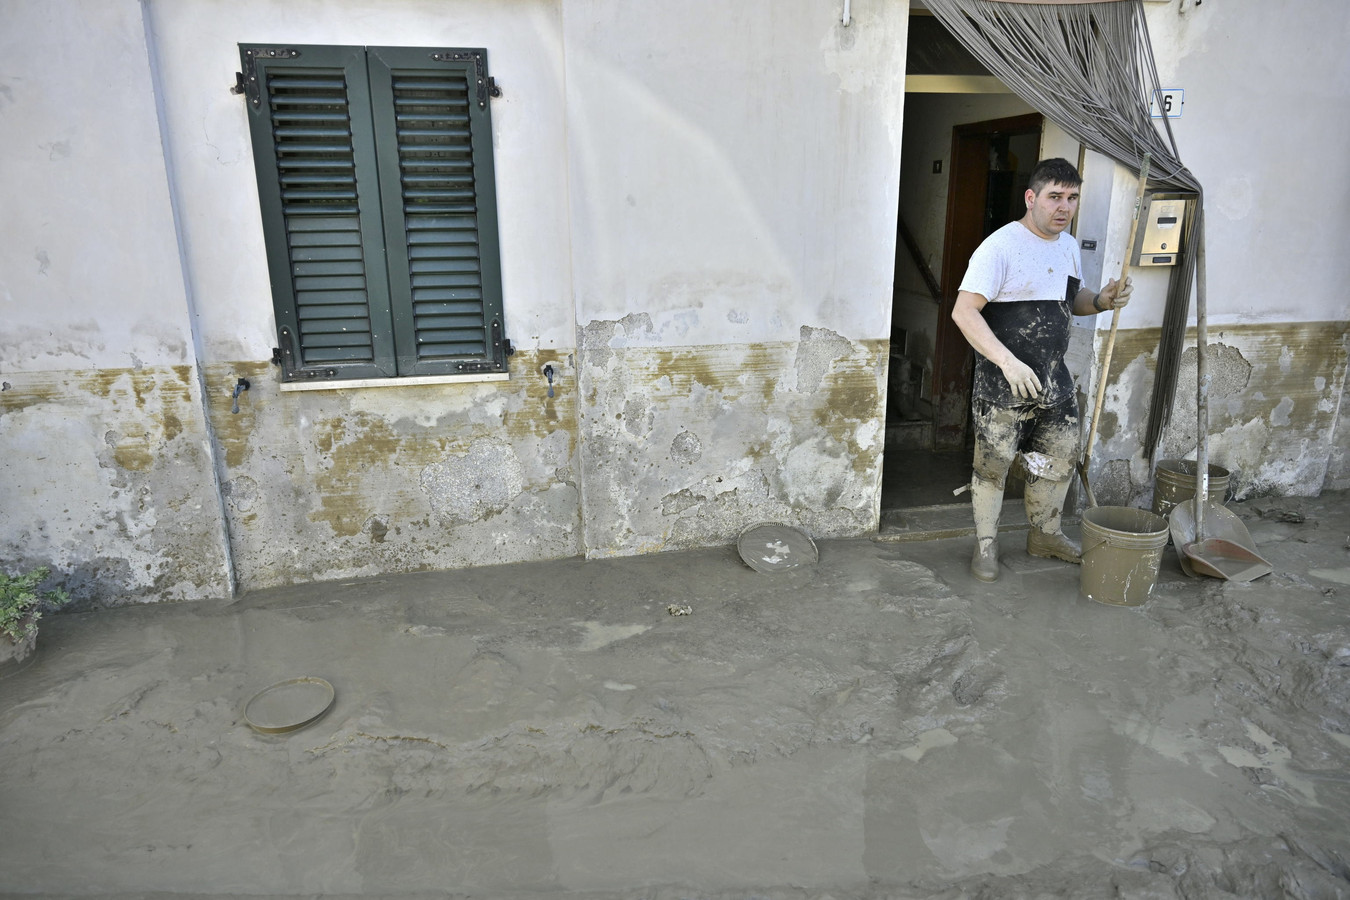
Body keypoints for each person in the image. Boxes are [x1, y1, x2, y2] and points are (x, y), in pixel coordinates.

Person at [951, 157, 1132, 582]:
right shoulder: (999, 247)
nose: (1063, 207)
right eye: (1054, 197)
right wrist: (1008, 363)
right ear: (1031, 198)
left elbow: (1073, 301)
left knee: (1058, 461)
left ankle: (1046, 535)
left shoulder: (1068, 246)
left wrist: (1102, 300)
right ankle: (986, 546)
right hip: (1003, 382)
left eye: (1071, 198)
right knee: (992, 467)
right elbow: (964, 312)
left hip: (1055, 380)